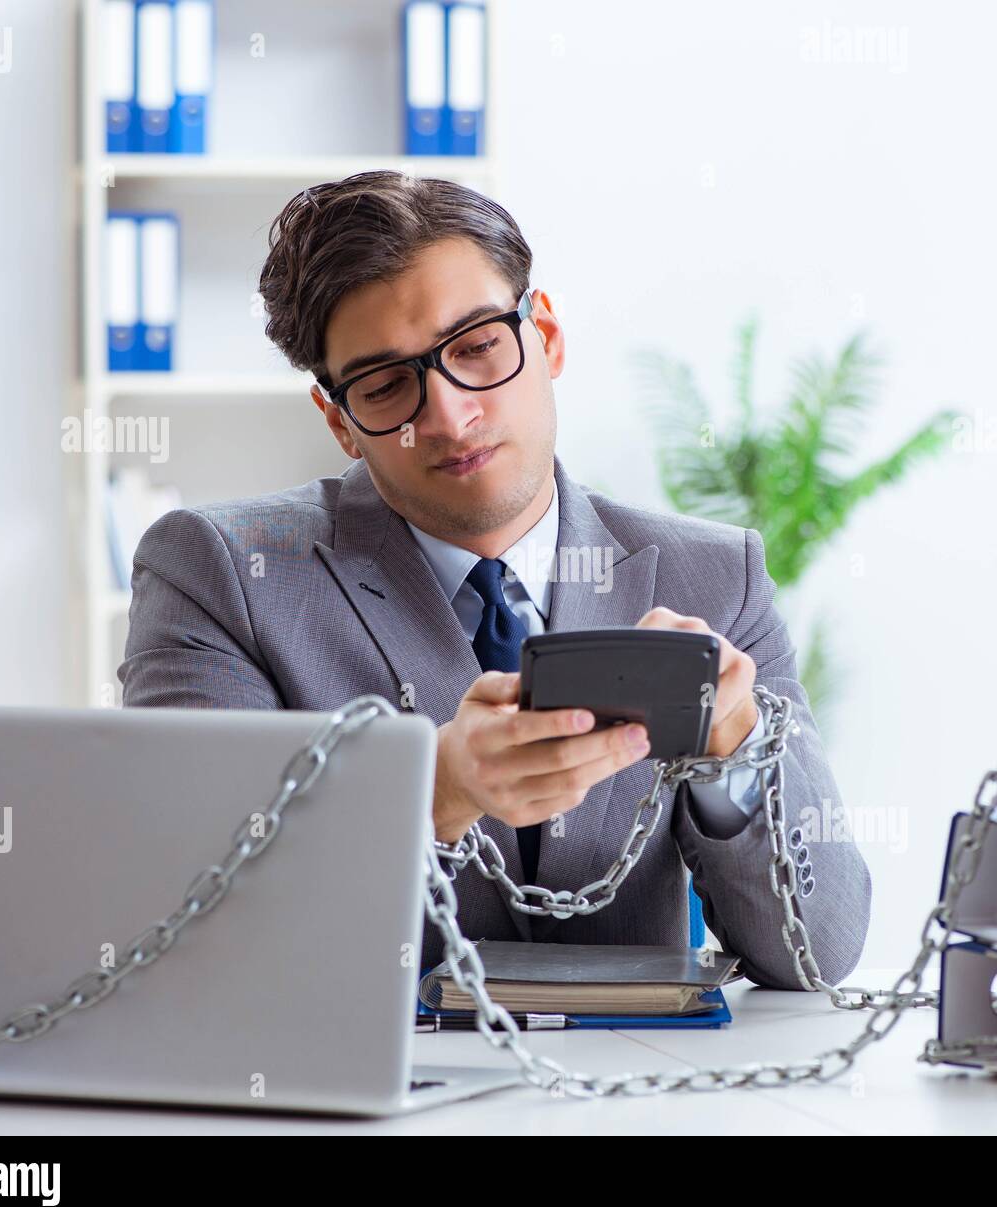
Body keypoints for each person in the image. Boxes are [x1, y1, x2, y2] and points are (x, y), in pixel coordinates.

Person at [119, 171, 871, 985]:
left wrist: (735, 753)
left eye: (477, 347)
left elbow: (818, 955)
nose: (447, 414)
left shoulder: (716, 577)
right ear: (339, 421)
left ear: (543, 336)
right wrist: (434, 793)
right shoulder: (218, 574)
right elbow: (188, 929)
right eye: (385, 385)